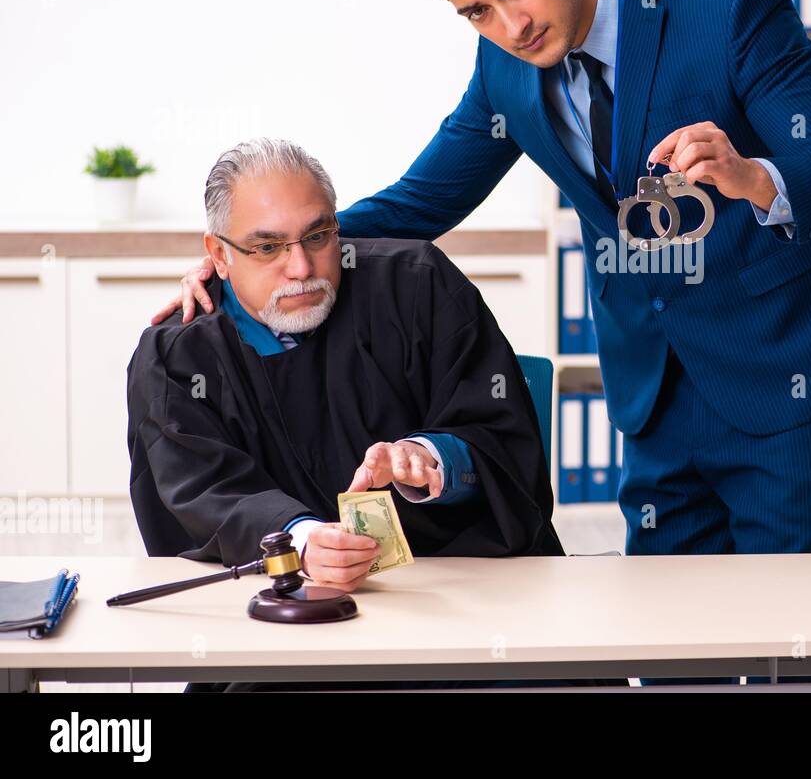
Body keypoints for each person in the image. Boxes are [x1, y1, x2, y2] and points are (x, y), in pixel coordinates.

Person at [153, 0, 811, 562]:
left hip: (790, 371)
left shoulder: (727, 5)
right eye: (476, 10)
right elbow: (422, 203)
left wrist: (752, 176)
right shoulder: (506, 69)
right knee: (674, 644)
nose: (510, 23)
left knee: (788, 645)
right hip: (658, 391)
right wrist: (272, 257)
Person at [129, 137, 563, 587]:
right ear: (218, 255)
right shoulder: (176, 357)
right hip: (271, 613)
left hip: (458, 591)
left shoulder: (419, 287)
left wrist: (430, 457)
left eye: (317, 237)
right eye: (267, 247)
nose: (300, 268)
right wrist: (298, 541)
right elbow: (202, 491)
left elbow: (502, 439)